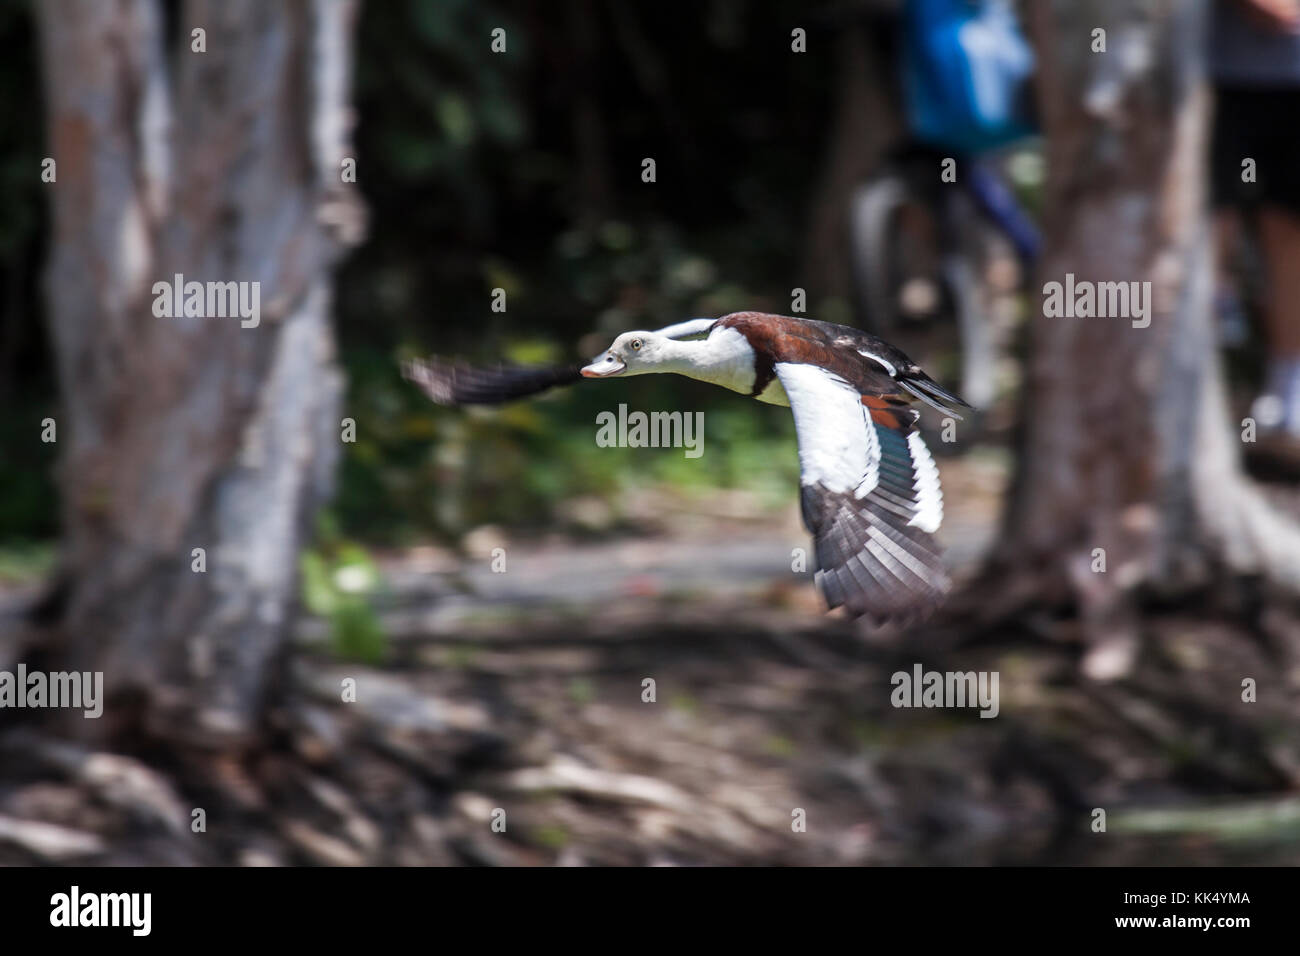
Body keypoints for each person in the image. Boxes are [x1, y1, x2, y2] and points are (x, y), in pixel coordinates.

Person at [1211, 0, 1300, 437]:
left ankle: (1288, 394)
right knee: (1212, 218)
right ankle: (1213, 349)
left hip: (1290, 79)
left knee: (1286, 231)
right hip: (1220, 78)